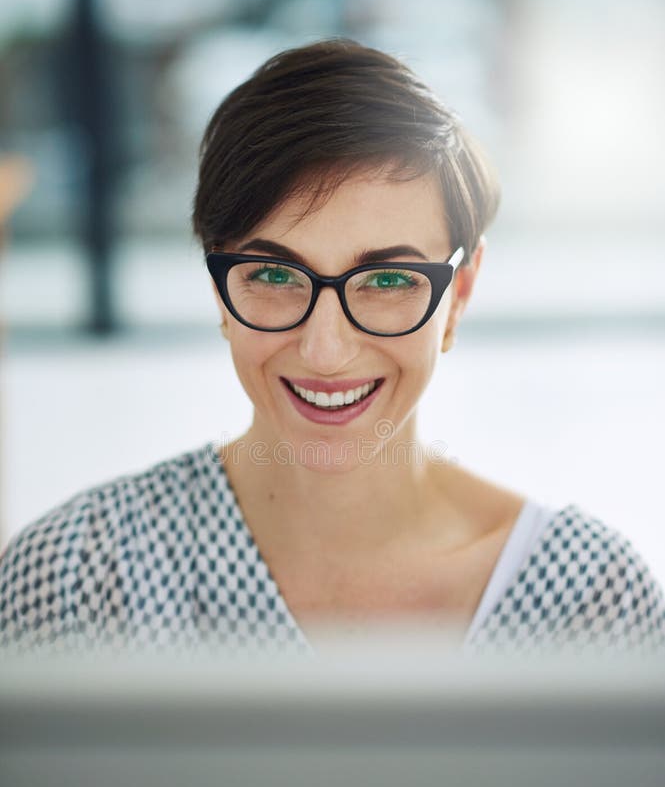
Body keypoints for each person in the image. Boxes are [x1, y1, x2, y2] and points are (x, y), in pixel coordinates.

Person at [1, 38, 663, 655]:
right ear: (216, 287)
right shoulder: (76, 576)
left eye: (386, 280)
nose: (324, 351)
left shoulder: (592, 599)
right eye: (273, 275)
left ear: (457, 297)